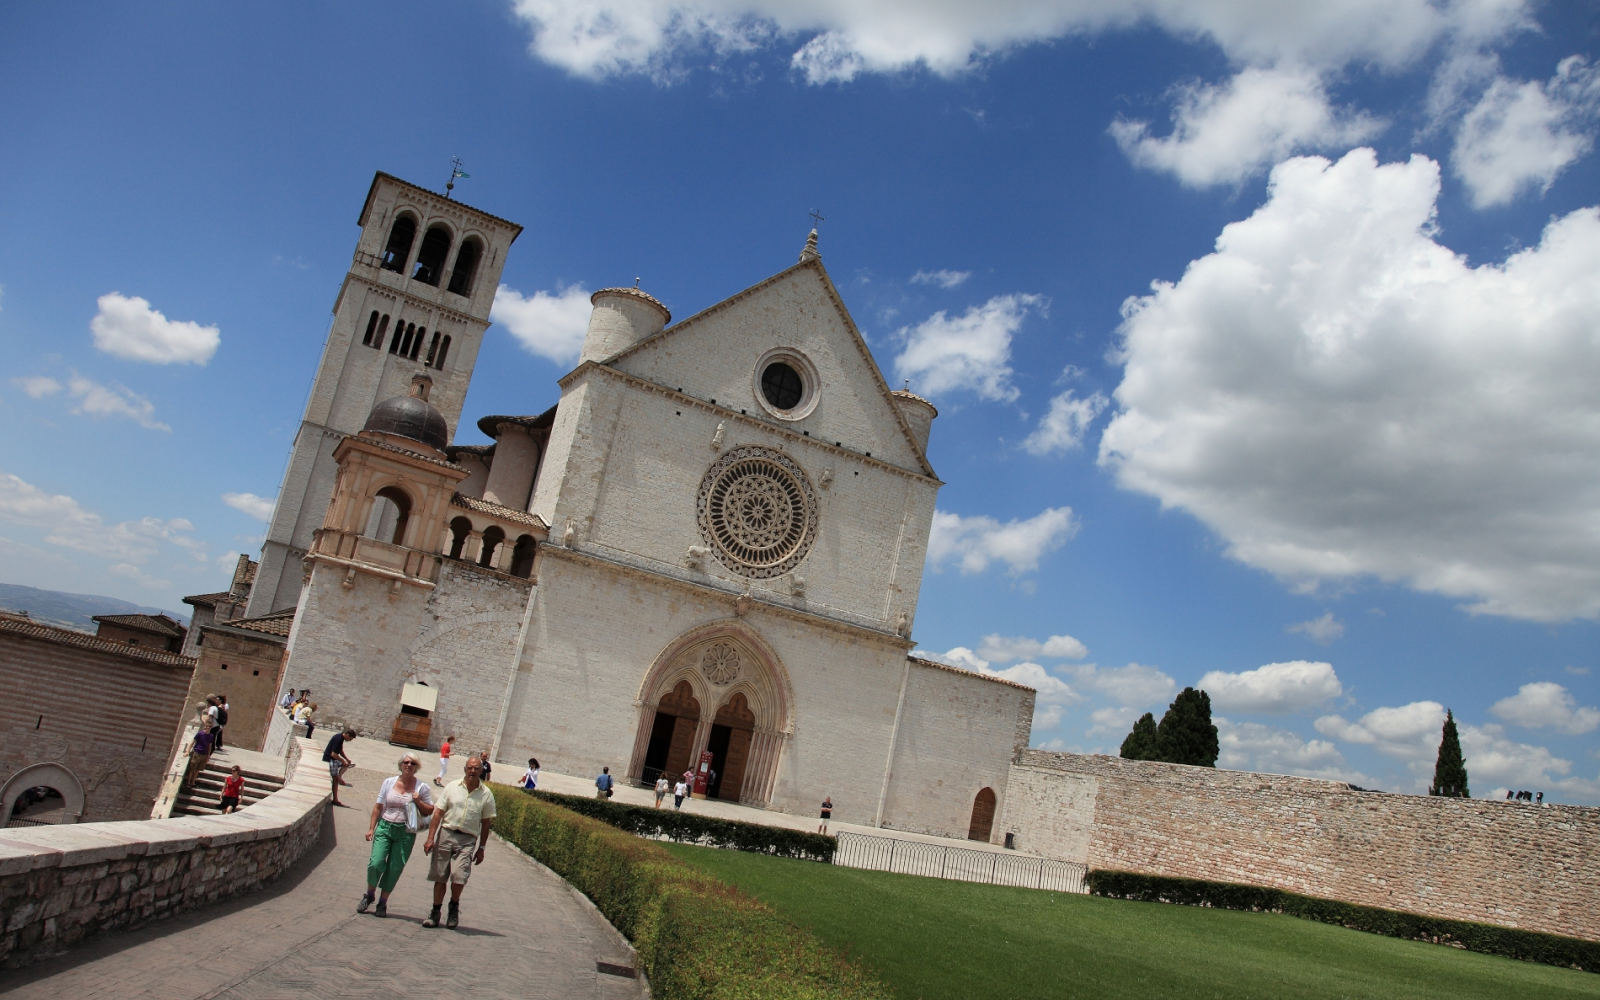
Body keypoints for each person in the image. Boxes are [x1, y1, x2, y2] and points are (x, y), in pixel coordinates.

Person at [422, 754, 496, 929]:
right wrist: (430, 838)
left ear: (481, 770)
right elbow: (438, 813)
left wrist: (482, 848)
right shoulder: (452, 787)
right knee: (440, 875)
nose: (472, 771)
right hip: (446, 834)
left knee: (458, 876)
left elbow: (486, 823)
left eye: (476, 768)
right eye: (469, 768)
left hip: (467, 839)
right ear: (464, 769)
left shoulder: (486, 794)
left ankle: (454, 906)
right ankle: (435, 912)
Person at [359, 752, 435, 917]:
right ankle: (369, 894)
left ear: (417, 767)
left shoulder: (422, 787)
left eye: (412, 763)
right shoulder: (389, 782)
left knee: (395, 867)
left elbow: (430, 810)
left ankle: (382, 902)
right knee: (376, 863)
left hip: (405, 832)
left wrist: (418, 801)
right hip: (385, 826)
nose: (408, 765)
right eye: (406, 762)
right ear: (401, 764)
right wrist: (372, 828)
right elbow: (378, 806)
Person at [324, 728, 356, 807]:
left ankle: (339, 777)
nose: (350, 740)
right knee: (335, 779)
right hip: (330, 759)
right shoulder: (338, 739)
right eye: (350, 738)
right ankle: (335, 798)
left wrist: (346, 759)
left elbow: (340, 751)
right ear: (347, 735)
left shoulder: (340, 738)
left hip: (334, 759)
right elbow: (333, 754)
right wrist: (343, 761)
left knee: (346, 765)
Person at [184, 716, 215, 789]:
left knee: (198, 769)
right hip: (197, 752)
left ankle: (193, 782)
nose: (207, 728)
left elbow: (209, 746)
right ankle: (188, 782)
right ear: (205, 726)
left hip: (204, 754)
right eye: (207, 726)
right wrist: (188, 751)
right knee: (192, 768)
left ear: (211, 727)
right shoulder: (200, 734)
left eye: (209, 727)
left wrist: (208, 756)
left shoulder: (211, 736)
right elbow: (192, 742)